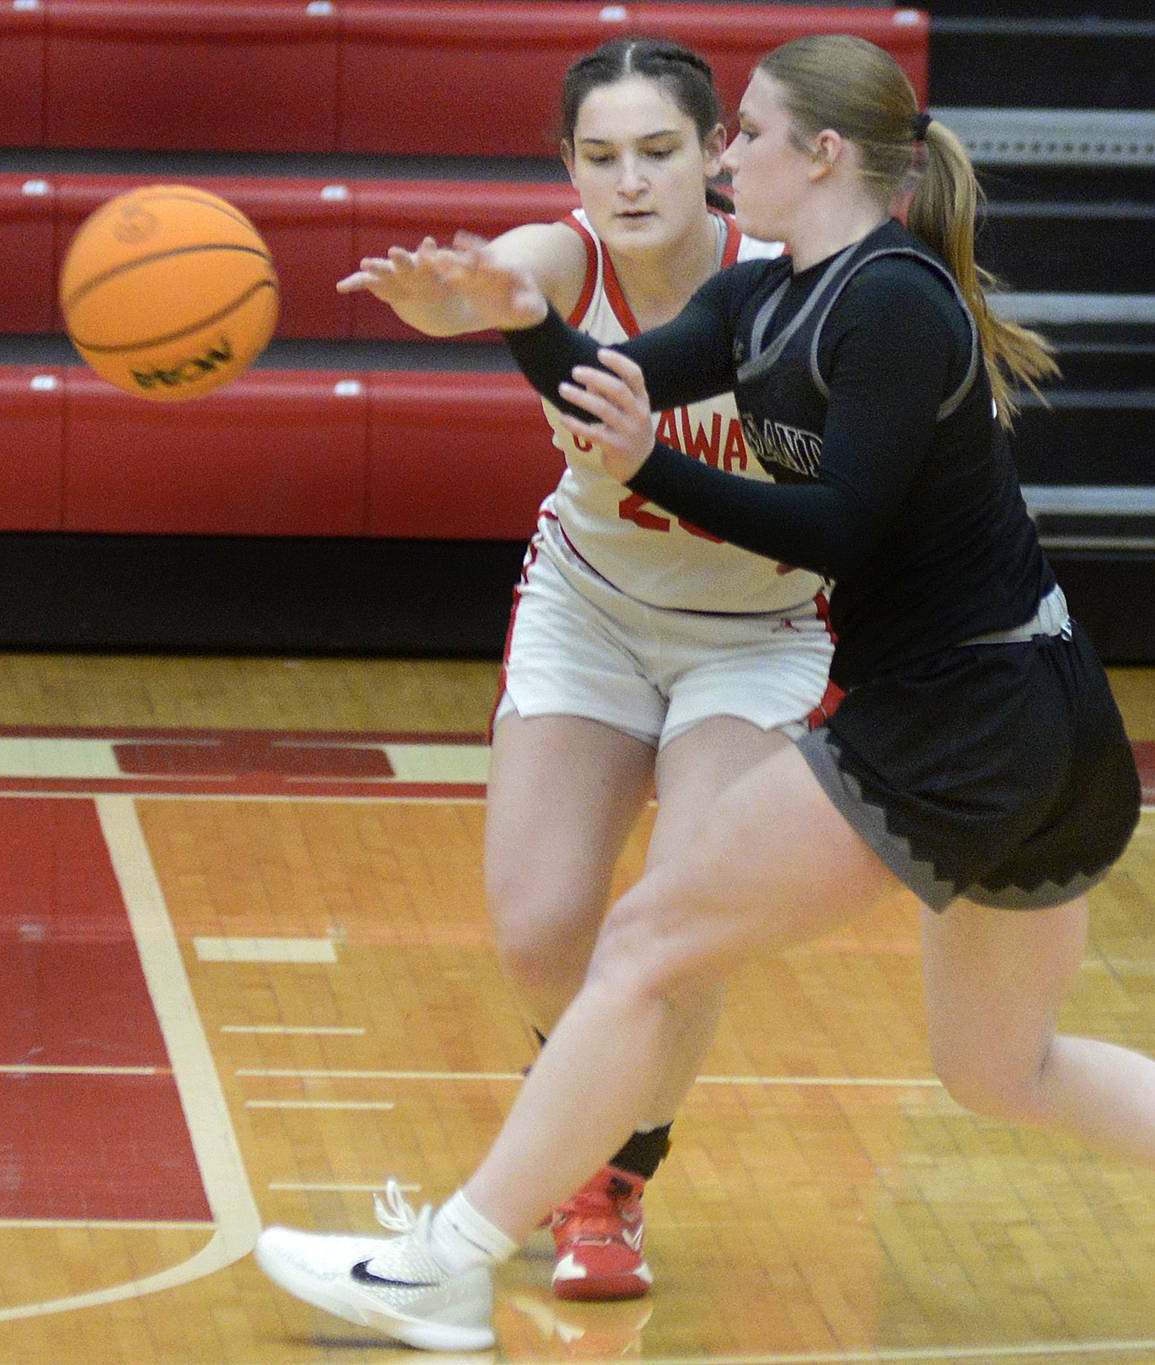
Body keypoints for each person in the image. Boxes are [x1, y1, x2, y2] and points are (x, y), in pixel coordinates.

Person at [255, 34, 1155, 1352]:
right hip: (1040, 712)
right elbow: (611, 384)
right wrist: (518, 316)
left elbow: (841, 530)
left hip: (958, 712)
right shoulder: (767, 300)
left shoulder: (893, 303)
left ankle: (444, 1264)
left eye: (743, 133)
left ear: (820, 156)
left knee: (642, 947)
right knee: (1003, 1065)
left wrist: (652, 468)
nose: (725, 153)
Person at [331, 37, 836, 1305]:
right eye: (600, 156)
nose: (629, 180)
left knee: (682, 926)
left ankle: (606, 1178)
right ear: (568, 166)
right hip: (593, 613)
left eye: (659, 150)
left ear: (715, 151)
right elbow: (510, 280)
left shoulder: (791, 278)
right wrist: (457, 304)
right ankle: (579, 1096)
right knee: (542, 931)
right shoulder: (566, 259)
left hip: (764, 634)